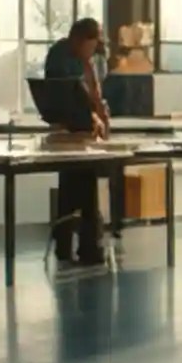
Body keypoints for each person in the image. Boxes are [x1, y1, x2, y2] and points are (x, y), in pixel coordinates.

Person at [44, 17, 108, 265]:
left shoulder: (90, 59)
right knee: (71, 188)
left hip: (86, 129)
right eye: (90, 46)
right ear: (79, 40)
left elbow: (95, 92)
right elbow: (76, 91)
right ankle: (66, 245)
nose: (91, 52)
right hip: (68, 127)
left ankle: (88, 246)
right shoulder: (61, 56)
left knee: (88, 187)